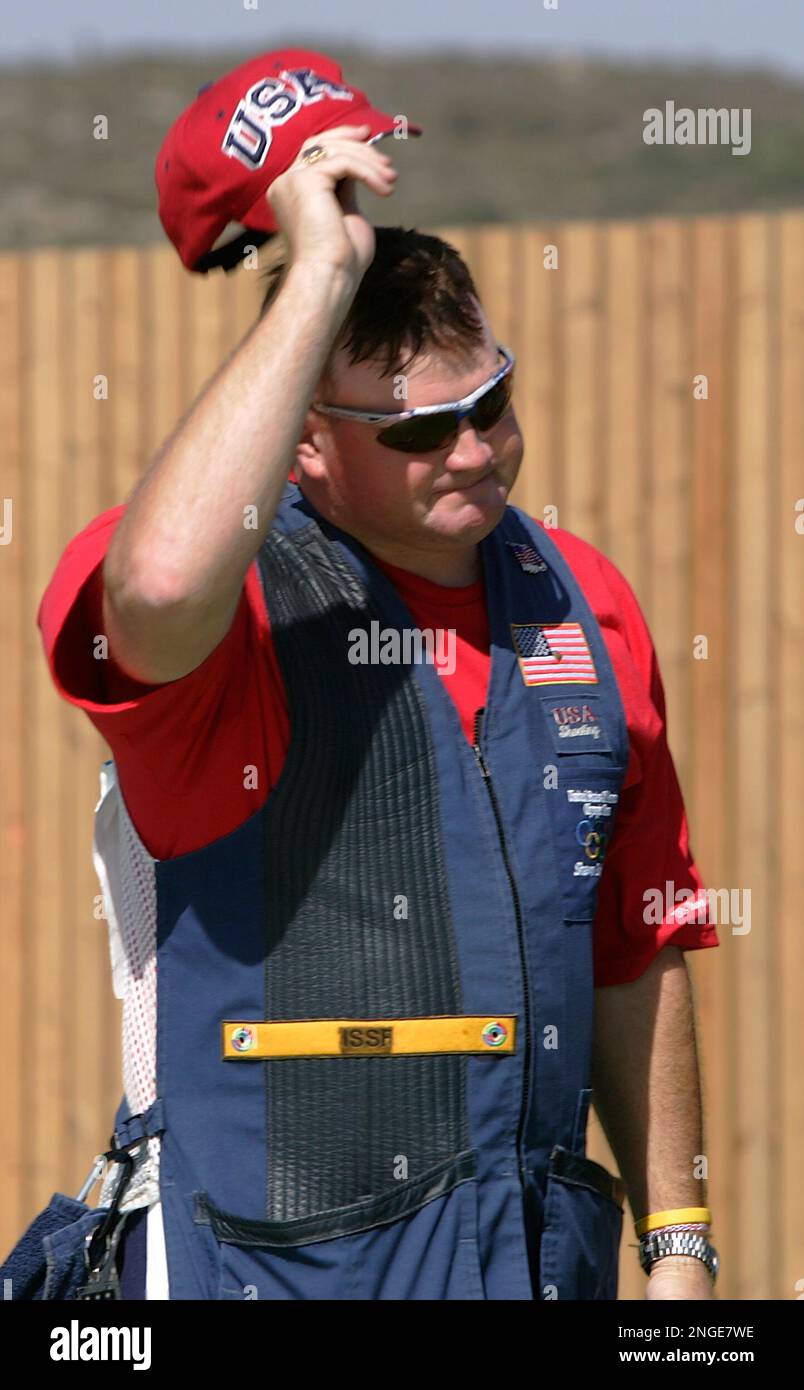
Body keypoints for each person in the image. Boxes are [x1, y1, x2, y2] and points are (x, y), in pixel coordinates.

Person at [37, 123, 720, 1300]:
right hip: (263, 1275)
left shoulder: (587, 602)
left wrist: (679, 1240)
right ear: (305, 438)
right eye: (416, 429)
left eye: (492, 403)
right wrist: (316, 278)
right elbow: (150, 592)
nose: (474, 449)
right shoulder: (235, 609)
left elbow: (638, 941)